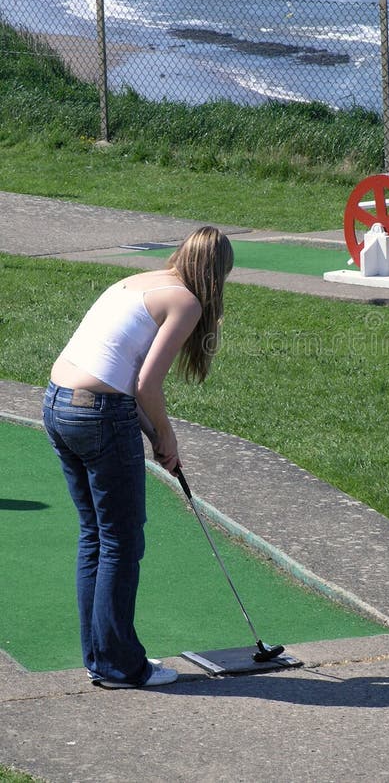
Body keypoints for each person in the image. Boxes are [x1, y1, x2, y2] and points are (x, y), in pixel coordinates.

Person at [42, 226, 234, 689]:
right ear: (217, 273)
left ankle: (100, 659)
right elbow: (146, 385)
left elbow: (123, 384)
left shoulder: (138, 281)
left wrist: (155, 437)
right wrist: (166, 435)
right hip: (99, 415)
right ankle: (120, 666)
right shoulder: (186, 302)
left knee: (97, 536)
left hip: (57, 404)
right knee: (122, 542)